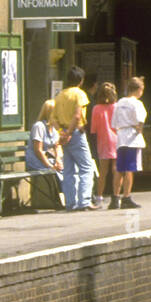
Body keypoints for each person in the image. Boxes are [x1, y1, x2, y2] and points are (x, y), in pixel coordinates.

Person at [53, 66, 97, 211]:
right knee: (86, 167)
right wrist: (70, 132)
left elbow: (52, 118)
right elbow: (78, 115)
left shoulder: (59, 96)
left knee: (68, 169)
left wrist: (62, 132)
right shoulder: (79, 94)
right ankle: (84, 200)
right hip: (76, 132)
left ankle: (70, 202)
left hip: (63, 132)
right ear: (81, 80)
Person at [111, 76, 146, 209]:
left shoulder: (119, 102)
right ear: (138, 90)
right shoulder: (137, 103)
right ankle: (126, 197)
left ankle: (115, 198)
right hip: (132, 136)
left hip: (121, 136)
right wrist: (139, 130)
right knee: (130, 168)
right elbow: (140, 120)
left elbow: (113, 123)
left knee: (119, 169)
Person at [26, 99, 64, 204]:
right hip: (37, 160)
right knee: (56, 171)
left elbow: (57, 146)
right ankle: (63, 196)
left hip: (48, 158)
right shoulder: (39, 126)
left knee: (67, 166)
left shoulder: (54, 128)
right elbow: (38, 150)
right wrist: (50, 166)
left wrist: (58, 160)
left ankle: (71, 194)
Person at [90, 82, 118, 207]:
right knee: (116, 170)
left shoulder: (96, 108)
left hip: (103, 141)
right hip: (117, 140)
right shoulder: (116, 107)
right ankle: (116, 196)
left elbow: (93, 129)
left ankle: (99, 197)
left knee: (103, 171)